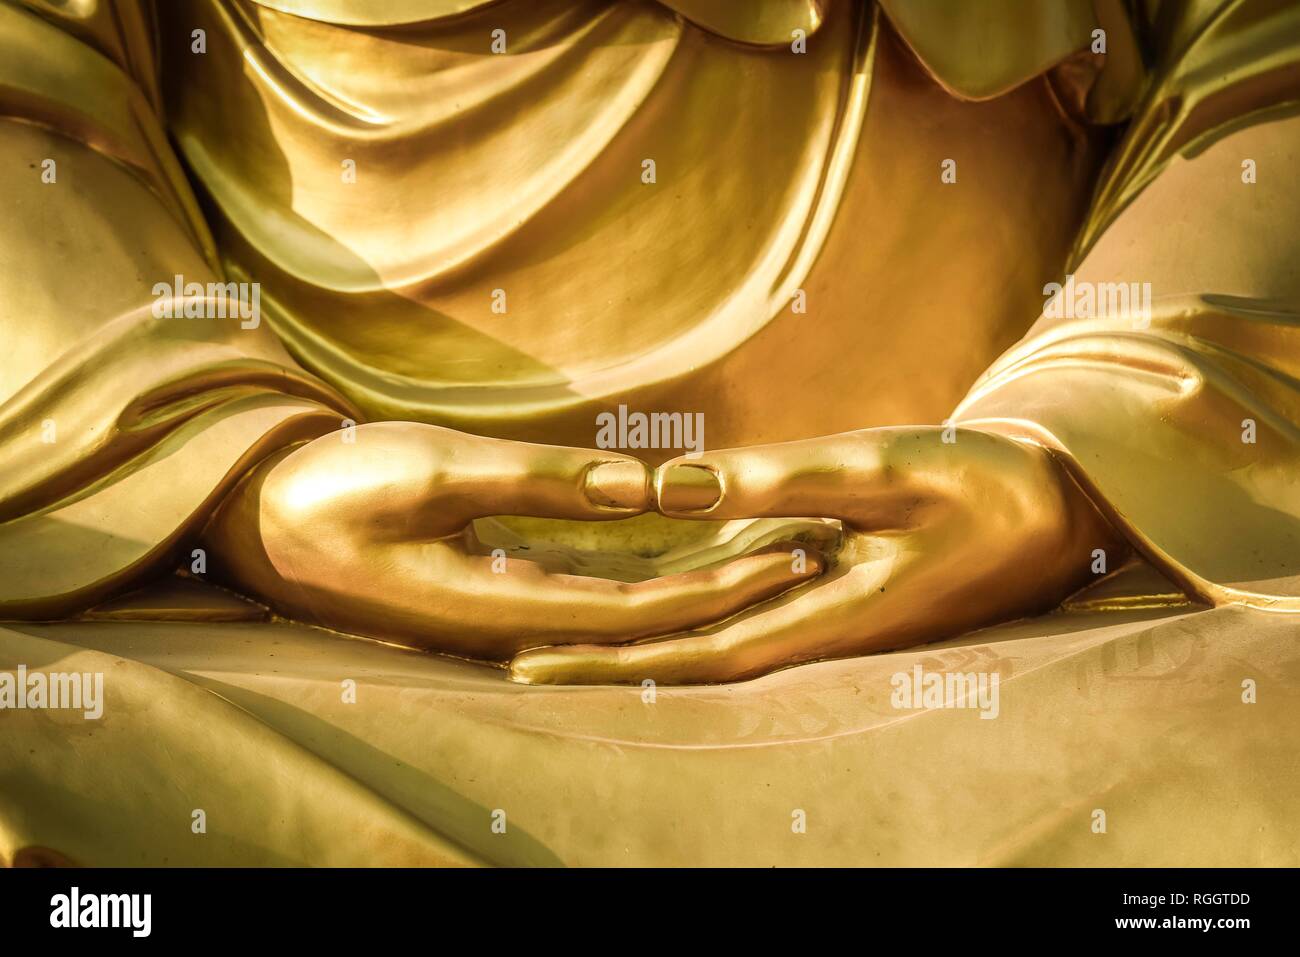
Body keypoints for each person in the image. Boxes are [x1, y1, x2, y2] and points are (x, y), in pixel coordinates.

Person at [2, 0, 1298, 691]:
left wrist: (1101, 438)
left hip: (1051, 593)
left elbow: (1268, 56)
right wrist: (226, 468)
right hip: (278, 631)